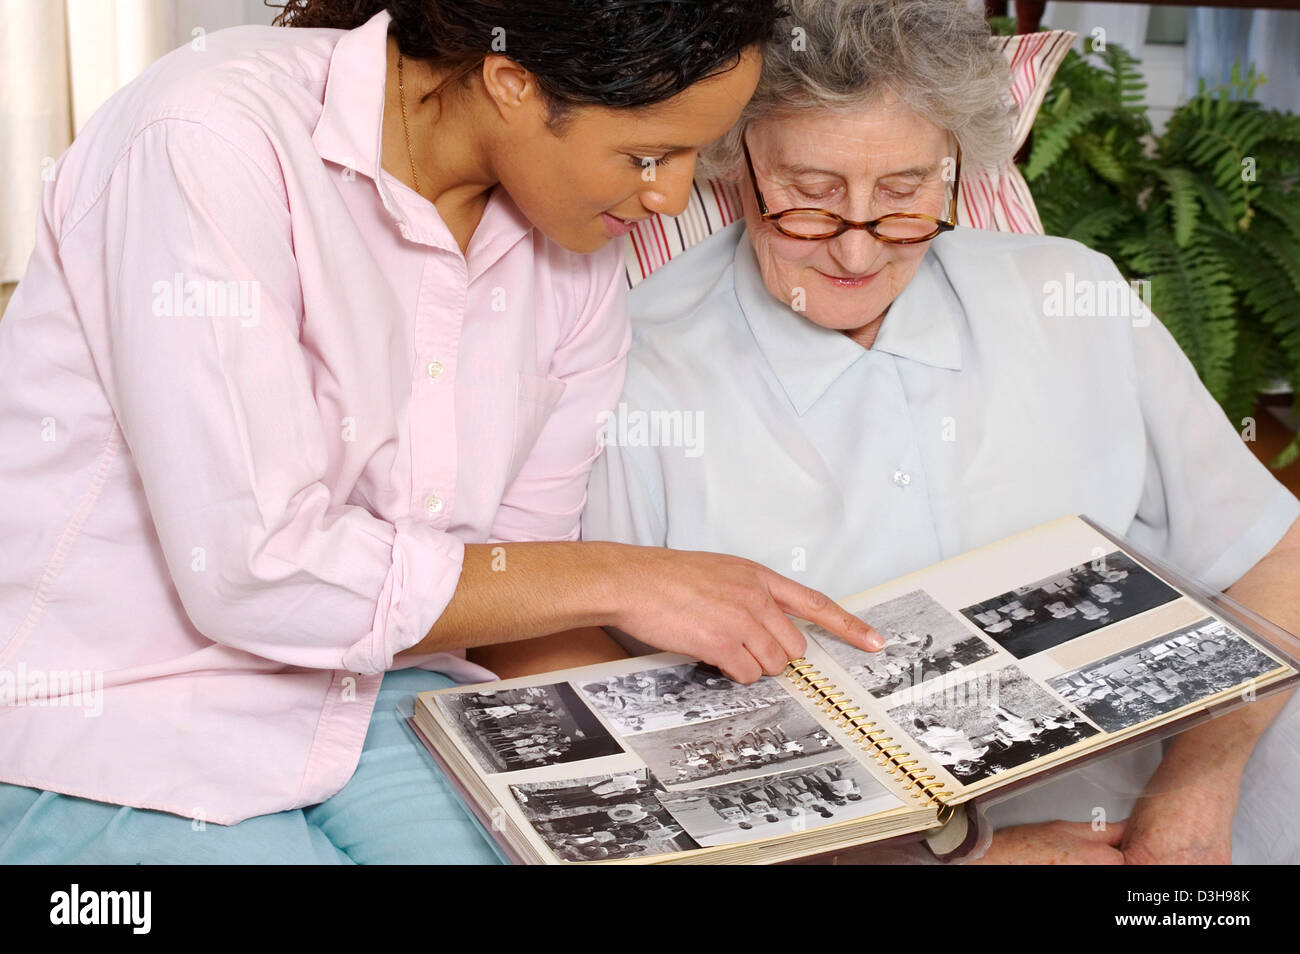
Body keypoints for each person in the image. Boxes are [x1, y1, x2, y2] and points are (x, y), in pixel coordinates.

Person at [0, 0, 892, 865]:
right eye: (649, 154)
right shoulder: (206, 139)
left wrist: (717, 751)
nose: (673, 197)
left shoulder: (572, 250)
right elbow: (252, 570)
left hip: (390, 701)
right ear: (510, 82)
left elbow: (518, 588)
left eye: (698, 155)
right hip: (113, 722)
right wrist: (627, 578)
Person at [582, 0, 1300, 864]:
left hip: (1156, 805)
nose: (857, 254)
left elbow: (1272, 557)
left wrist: (1192, 799)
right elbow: (630, 730)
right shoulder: (636, 370)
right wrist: (970, 858)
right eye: (809, 200)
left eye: (904, 193)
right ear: (738, 162)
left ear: (956, 164)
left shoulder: (1070, 294)